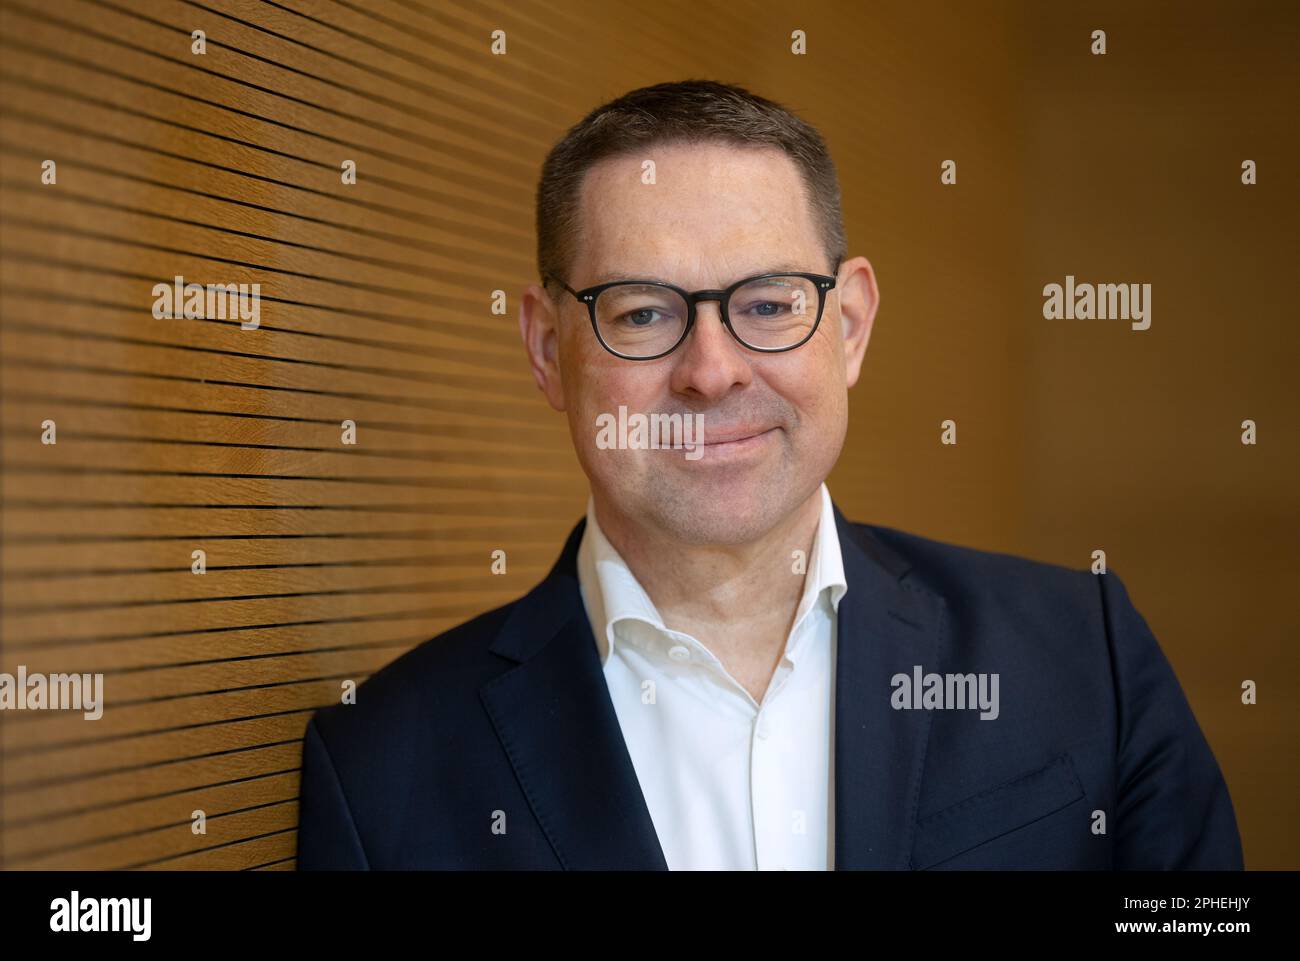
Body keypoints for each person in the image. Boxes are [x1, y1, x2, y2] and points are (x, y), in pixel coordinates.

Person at [297, 79, 1243, 870]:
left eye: (768, 302)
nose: (713, 370)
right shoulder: (385, 769)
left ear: (850, 325)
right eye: (641, 314)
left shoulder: (1085, 657)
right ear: (548, 349)